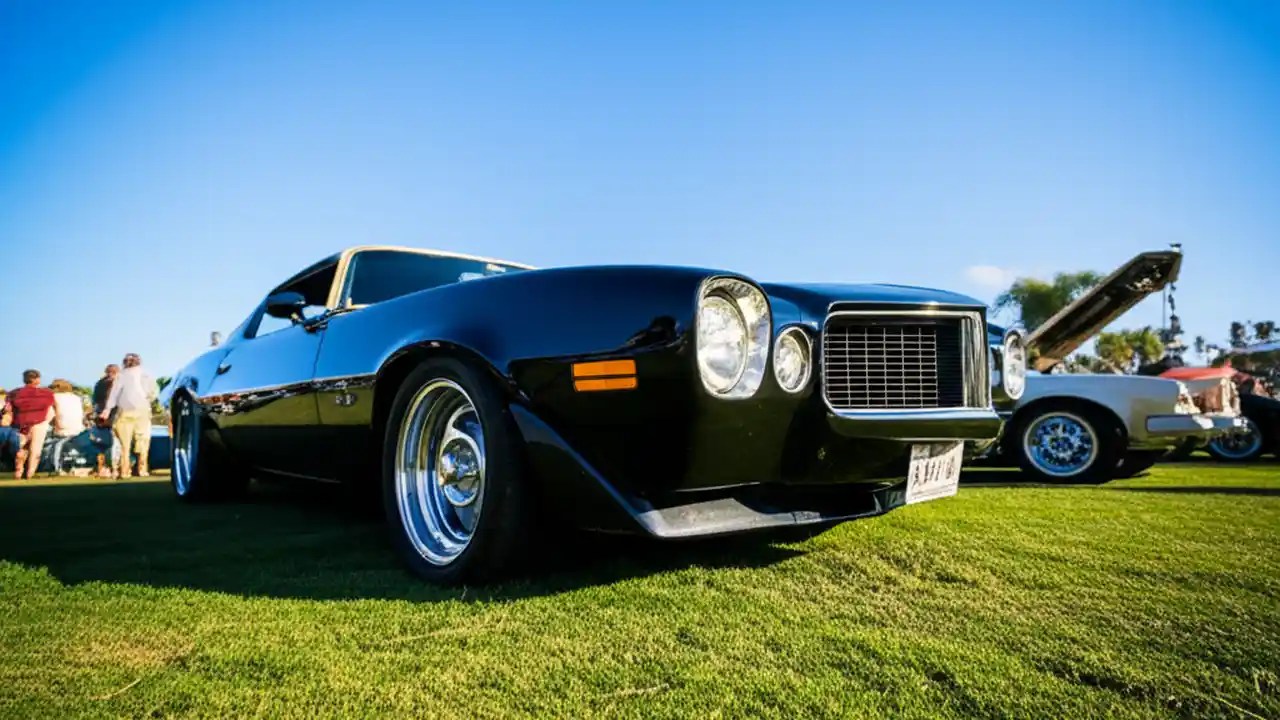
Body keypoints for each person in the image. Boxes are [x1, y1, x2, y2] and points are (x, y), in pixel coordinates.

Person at [100, 353, 156, 478]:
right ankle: (142, 469)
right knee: (143, 441)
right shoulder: (146, 374)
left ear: (125, 362)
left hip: (125, 411)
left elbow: (114, 394)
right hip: (143, 410)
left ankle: (125, 471)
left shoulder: (121, 375)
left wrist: (107, 410)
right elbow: (152, 392)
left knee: (124, 445)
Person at [5, 370, 57, 479]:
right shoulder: (46, 393)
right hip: (40, 423)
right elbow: (51, 409)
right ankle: (30, 473)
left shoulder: (14, 393)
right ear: (37, 379)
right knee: (35, 450)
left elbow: (8, 409)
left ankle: (19, 471)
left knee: (21, 448)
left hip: (20, 423)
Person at [49, 379, 87, 474]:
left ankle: (56, 466)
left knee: (55, 444)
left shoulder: (54, 397)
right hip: (78, 427)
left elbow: (51, 415)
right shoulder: (76, 398)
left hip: (62, 427)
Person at [91, 364, 119, 477]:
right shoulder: (118, 383)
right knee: (115, 444)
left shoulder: (99, 384)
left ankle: (102, 469)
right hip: (114, 416)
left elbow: (95, 401)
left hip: (101, 416)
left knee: (101, 445)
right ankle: (114, 468)